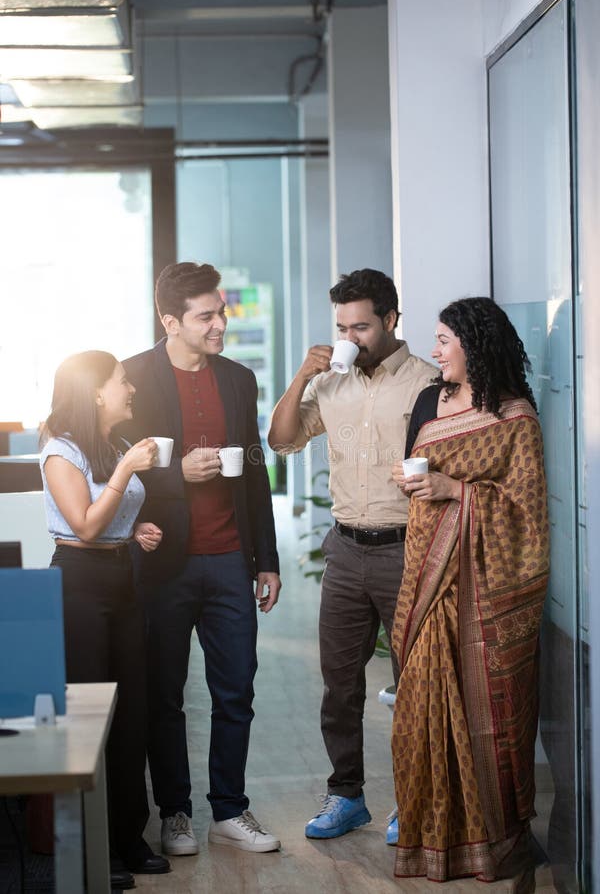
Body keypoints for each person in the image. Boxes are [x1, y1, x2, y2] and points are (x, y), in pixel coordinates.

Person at [119, 261, 281, 857]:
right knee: (165, 694)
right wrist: (175, 473)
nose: (220, 324)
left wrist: (266, 557)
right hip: (167, 563)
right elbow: (120, 467)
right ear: (171, 321)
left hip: (232, 557)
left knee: (236, 689)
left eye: (221, 312)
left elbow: (257, 468)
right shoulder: (133, 377)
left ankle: (229, 811)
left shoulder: (238, 378)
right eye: (206, 316)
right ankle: (176, 813)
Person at [390, 297, 549, 889]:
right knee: (417, 713)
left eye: (443, 340)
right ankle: (434, 840)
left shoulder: (515, 418)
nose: (435, 351)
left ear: (475, 347)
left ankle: (493, 847)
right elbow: (418, 470)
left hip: (478, 594)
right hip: (426, 583)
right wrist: (413, 481)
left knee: (490, 725)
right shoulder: (434, 401)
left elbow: (527, 515)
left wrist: (454, 490)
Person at [268, 268, 432, 841]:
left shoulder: (427, 383)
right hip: (345, 551)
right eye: (341, 326)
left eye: (361, 326)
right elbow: (282, 439)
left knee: (416, 684)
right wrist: (300, 377)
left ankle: (413, 802)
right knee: (340, 685)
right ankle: (346, 797)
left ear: (390, 320)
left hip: (407, 549)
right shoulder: (330, 382)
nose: (350, 337)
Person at [39, 350, 170, 890]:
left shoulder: (113, 444)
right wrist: (122, 477)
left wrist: (135, 531)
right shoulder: (60, 451)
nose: (130, 390)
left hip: (121, 581)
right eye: (121, 382)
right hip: (79, 585)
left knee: (133, 712)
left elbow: (109, 520)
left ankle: (128, 837)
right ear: (95, 392)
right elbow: (84, 528)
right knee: (93, 719)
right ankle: (95, 846)